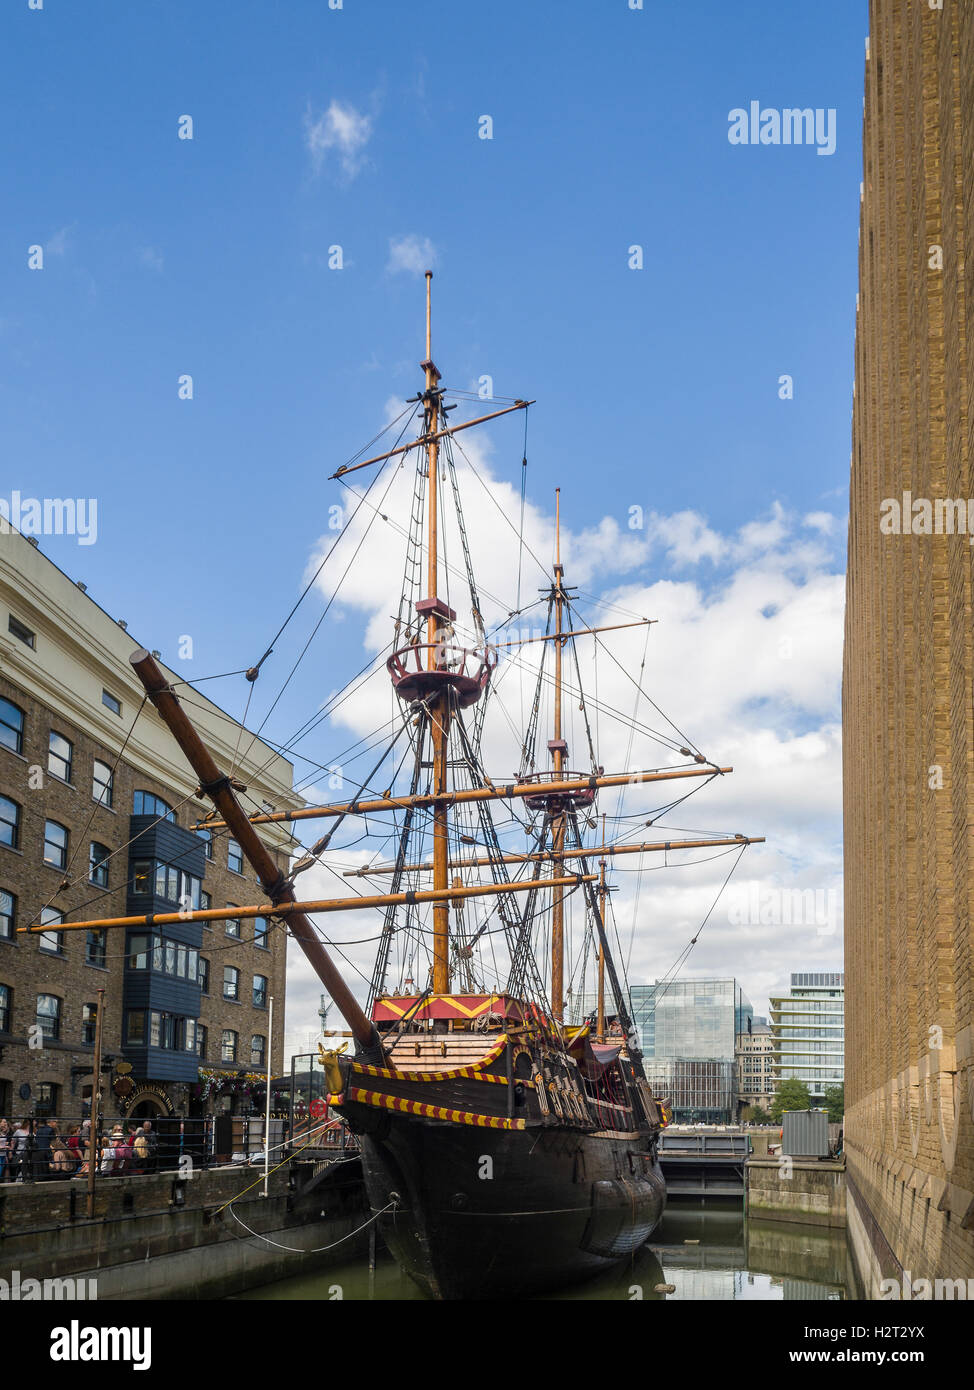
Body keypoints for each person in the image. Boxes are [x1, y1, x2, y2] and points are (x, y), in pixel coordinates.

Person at [32, 1117, 54, 1182]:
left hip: (39, 1152)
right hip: (47, 1151)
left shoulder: (38, 1130)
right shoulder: (50, 1130)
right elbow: (53, 1141)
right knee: (48, 1168)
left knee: (41, 1168)